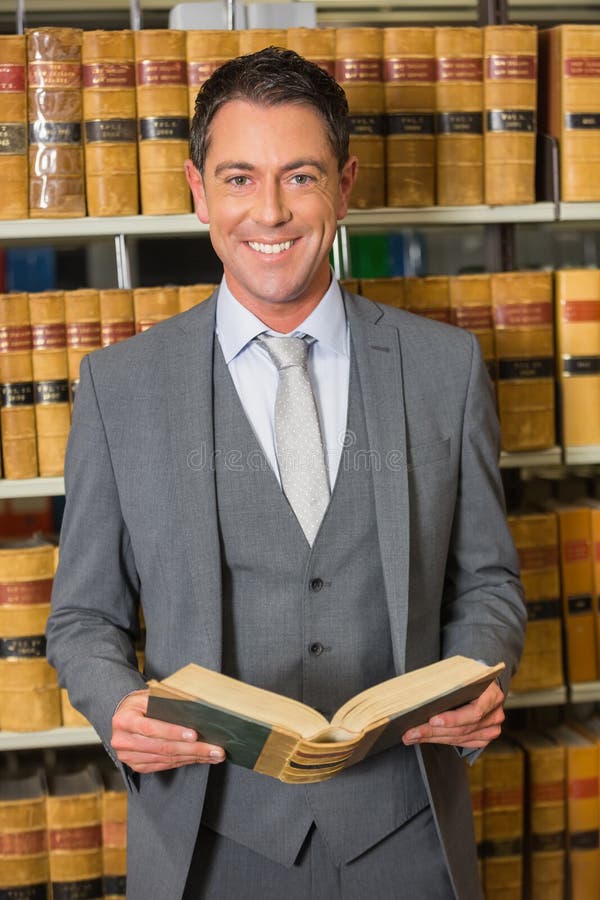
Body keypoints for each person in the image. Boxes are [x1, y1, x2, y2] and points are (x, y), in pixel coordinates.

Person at [46, 47, 526, 900]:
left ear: (344, 184)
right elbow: (83, 617)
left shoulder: (445, 369)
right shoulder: (119, 388)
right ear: (197, 191)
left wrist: (478, 677)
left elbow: (488, 584)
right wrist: (117, 705)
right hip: (204, 836)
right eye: (238, 178)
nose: (268, 210)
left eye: (299, 176)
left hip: (406, 834)